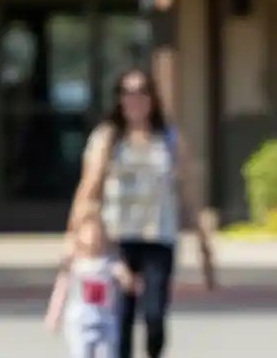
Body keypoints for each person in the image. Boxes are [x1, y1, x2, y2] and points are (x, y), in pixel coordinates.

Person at [67, 68, 217, 358]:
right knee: (120, 318)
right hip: (117, 238)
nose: (135, 99)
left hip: (159, 237)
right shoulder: (107, 137)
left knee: (154, 316)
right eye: (128, 92)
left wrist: (203, 241)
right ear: (120, 99)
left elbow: (188, 191)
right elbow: (89, 186)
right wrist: (74, 234)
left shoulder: (169, 139)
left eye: (142, 92)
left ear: (153, 98)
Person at [45, 207, 137, 357]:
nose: (93, 238)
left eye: (97, 233)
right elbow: (61, 290)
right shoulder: (75, 265)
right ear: (79, 236)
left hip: (106, 322)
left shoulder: (111, 263)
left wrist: (127, 278)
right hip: (79, 322)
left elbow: (127, 283)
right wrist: (54, 315)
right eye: (89, 233)